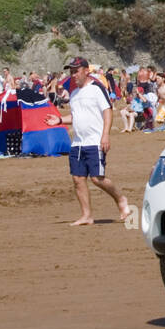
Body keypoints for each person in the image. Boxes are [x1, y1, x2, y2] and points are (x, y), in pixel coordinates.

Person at [45, 57, 129, 227]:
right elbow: (77, 116)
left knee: (97, 179)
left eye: (76, 71)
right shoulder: (74, 94)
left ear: (86, 70)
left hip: (95, 141)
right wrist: (60, 120)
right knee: (78, 179)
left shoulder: (97, 88)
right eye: (71, 72)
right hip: (77, 143)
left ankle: (121, 199)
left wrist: (105, 135)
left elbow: (107, 111)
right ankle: (86, 215)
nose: (73, 75)